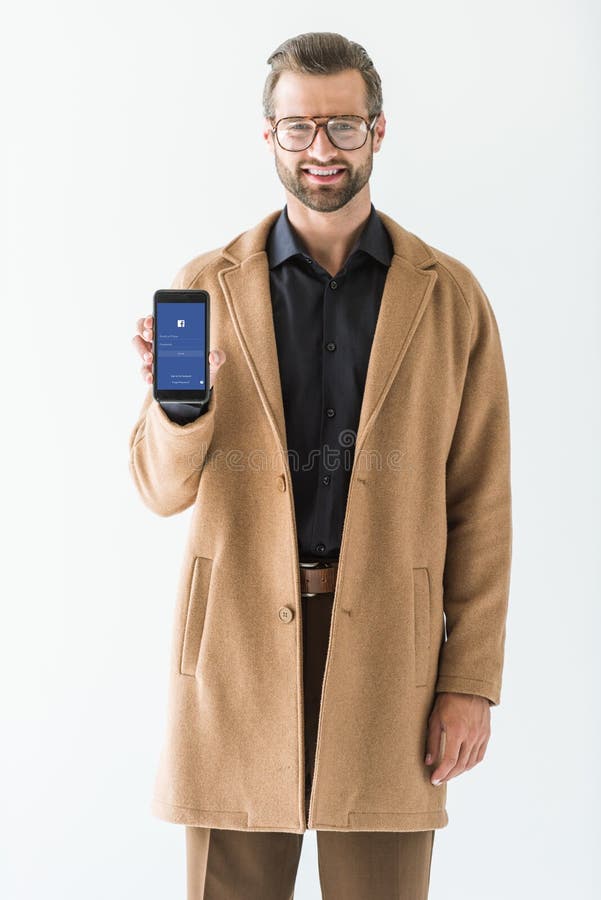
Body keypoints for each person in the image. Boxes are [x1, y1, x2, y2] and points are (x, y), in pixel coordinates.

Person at [129, 31, 512, 900]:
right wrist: (178, 410)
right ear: (268, 135)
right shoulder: (208, 284)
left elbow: (481, 502)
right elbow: (157, 488)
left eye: (342, 125)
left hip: (389, 657)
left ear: (378, 130)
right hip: (233, 653)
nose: (321, 149)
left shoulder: (448, 296)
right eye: (299, 127)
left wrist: (469, 681)